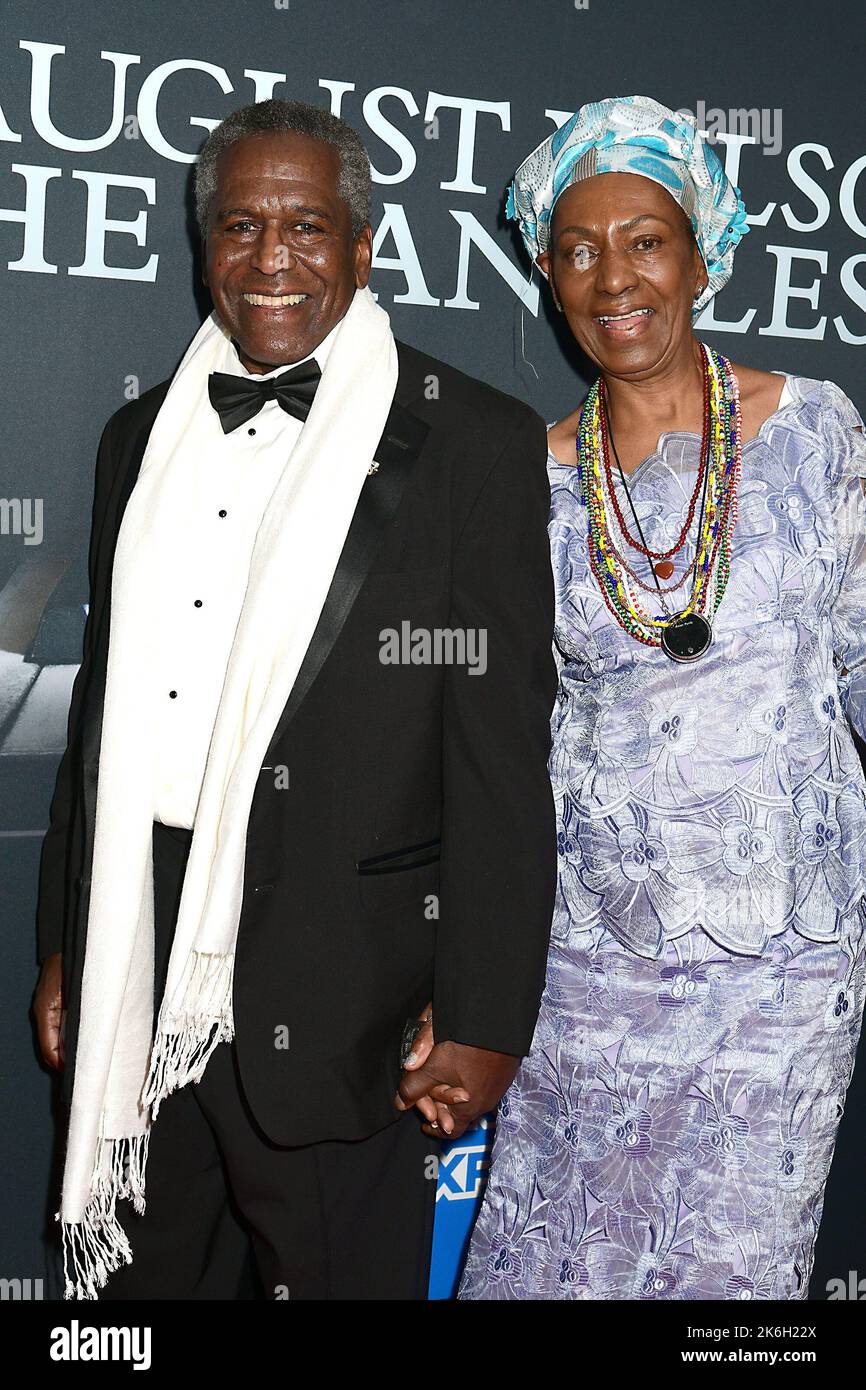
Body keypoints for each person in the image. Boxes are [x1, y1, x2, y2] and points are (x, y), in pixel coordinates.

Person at [32, 97, 558, 1301]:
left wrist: (482, 1011)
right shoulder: (135, 439)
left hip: (343, 974)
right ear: (202, 245)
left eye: (307, 227)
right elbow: (104, 717)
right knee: (123, 1309)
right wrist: (69, 934)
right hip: (138, 943)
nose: (272, 259)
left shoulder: (471, 442)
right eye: (240, 226)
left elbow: (495, 752)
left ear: (361, 248)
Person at [451, 95, 866, 1300]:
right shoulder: (517, 479)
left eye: (643, 239)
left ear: (700, 252)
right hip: (589, 957)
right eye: (577, 249)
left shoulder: (814, 433)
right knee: (554, 1265)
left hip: (786, 958)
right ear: (546, 271)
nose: (612, 276)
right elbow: (499, 745)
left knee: (736, 1280)